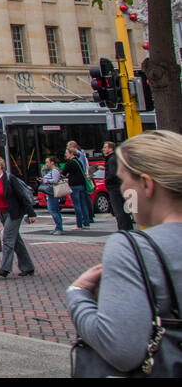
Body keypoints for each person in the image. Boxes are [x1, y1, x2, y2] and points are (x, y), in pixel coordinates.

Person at [68, 129, 182, 374]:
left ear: (146, 184)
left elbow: (121, 350)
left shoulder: (132, 248)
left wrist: (78, 296)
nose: (120, 191)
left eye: (123, 181)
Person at [0, 154, 37, 278]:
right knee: (16, 241)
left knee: (7, 238)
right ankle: (28, 267)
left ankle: (5, 268)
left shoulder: (10, 179)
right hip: (2, 213)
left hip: (14, 213)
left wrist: (31, 213)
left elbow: (22, 196)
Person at [102, 140, 135, 232]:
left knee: (119, 211)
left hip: (115, 188)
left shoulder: (111, 159)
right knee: (123, 210)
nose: (103, 149)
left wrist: (107, 181)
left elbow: (113, 174)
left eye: (105, 147)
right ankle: (128, 228)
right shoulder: (114, 158)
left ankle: (123, 229)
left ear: (111, 149)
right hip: (118, 187)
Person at [64, 143, 92, 230]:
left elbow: (63, 173)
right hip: (82, 185)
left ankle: (79, 224)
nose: (66, 155)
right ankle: (86, 223)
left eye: (67, 153)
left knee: (77, 205)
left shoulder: (70, 163)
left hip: (74, 185)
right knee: (83, 204)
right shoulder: (78, 161)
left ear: (71, 154)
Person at [39, 156, 67, 235]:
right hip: (51, 192)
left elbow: (55, 180)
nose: (46, 164)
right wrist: (43, 173)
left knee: (53, 210)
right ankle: (58, 227)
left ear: (52, 162)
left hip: (53, 192)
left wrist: (45, 180)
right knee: (54, 210)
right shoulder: (52, 171)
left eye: (47, 162)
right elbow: (46, 178)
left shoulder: (55, 171)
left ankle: (59, 228)